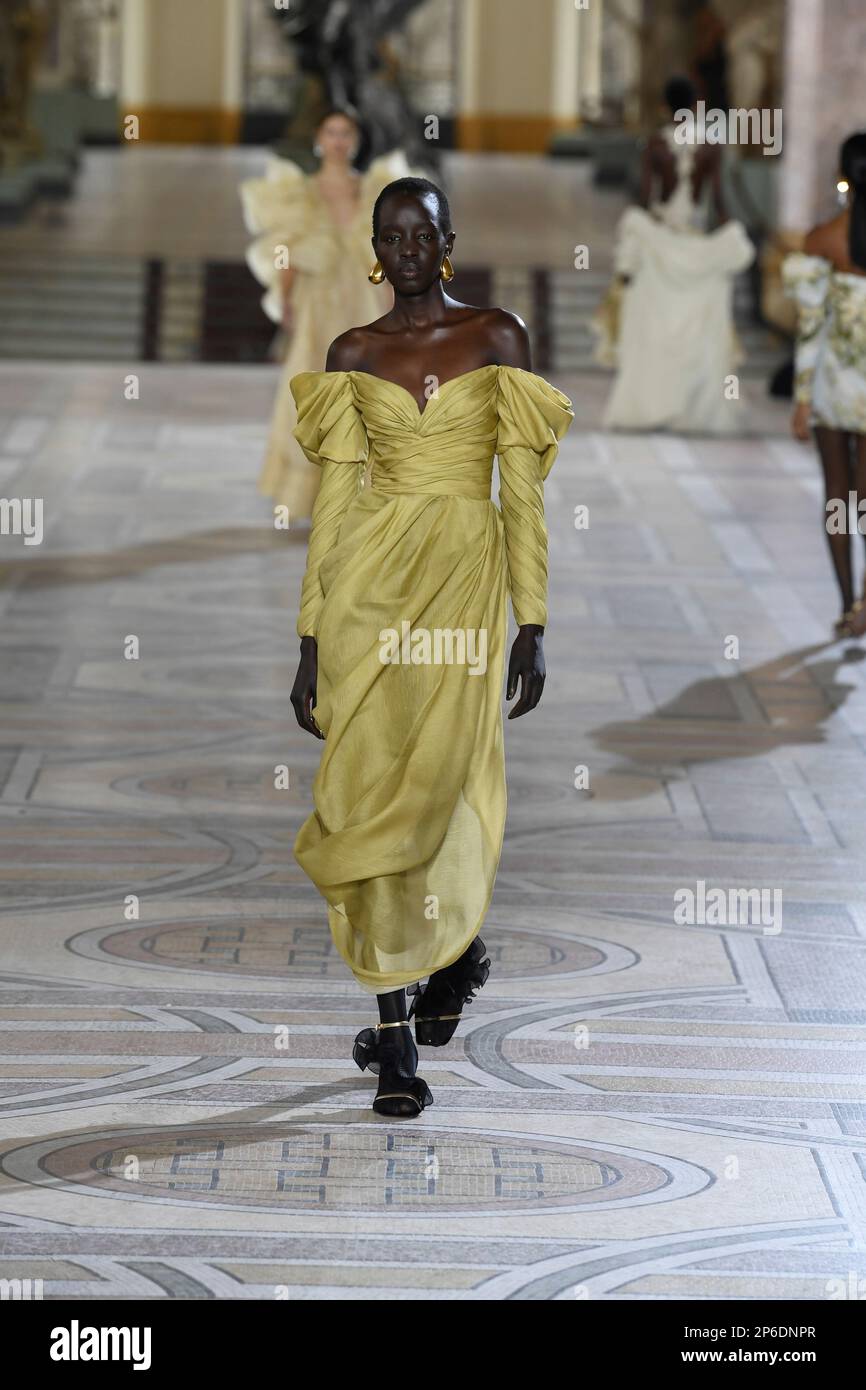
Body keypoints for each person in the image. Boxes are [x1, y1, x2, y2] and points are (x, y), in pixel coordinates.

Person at [288, 177, 574, 1116]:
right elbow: (332, 509)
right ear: (375, 246)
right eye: (391, 234)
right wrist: (309, 634)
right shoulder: (353, 352)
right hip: (371, 588)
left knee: (448, 780)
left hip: (463, 584)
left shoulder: (497, 338)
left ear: (448, 240)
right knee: (371, 785)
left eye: (423, 233)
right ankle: (399, 1040)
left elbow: (521, 495)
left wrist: (531, 621)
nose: (407, 247)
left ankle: (461, 954)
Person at [240, 109, 408, 522]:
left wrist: (394, 299)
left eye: (345, 133)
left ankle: (365, 494)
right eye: (331, 132)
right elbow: (286, 248)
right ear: (319, 139)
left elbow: (388, 254)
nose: (337, 140)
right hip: (317, 301)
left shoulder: (374, 191)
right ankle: (306, 495)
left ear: (355, 141)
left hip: (363, 302)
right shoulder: (300, 192)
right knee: (313, 388)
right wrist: (286, 299)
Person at [595, 75, 755, 433]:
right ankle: (691, 410)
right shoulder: (712, 147)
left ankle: (651, 406)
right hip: (697, 245)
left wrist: (632, 246)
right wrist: (732, 239)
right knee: (700, 334)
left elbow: (646, 201)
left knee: (652, 332)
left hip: (660, 246)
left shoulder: (654, 145)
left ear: (665, 105)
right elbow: (720, 204)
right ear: (697, 103)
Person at [784, 132, 866, 638]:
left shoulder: (824, 239)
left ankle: (845, 604)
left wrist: (801, 399)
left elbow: (811, 329)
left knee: (837, 495)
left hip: (835, 387)